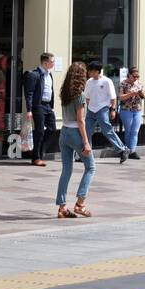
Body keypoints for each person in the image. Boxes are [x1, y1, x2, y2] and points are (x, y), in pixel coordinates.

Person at [53, 62, 94, 218]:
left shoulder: (65, 92)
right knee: (90, 167)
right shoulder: (80, 95)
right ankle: (80, 204)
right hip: (76, 133)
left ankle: (62, 207)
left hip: (63, 132)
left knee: (67, 170)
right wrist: (86, 142)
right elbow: (80, 120)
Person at [84, 62, 128, 162]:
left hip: (102, 109)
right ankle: (86, 154)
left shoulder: (107, 81)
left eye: (90, 70)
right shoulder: (89, 82)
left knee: (107, 130)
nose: (89, 72)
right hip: (91, 110)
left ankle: (122, 149)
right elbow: (87, 97)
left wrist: (113, 110)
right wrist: (89, 106)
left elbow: (113, 97)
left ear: (96, 71)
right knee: (86, 131)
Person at [22, 53, 57, 167]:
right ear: (45, 62)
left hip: (47, 106)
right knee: (40, 131)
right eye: (52, 61)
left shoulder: (49, 75)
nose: (54, 63)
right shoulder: (34, 74)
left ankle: (38, 151)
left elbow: (50, 90)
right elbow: (29, 93)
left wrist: (51, 106)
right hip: (38, 106)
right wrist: (29, 110)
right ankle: (36, 157)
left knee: (52, 129)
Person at [118, 68, 145, 159]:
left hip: (137, 110)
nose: (136, 78)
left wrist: (141, 93)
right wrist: (130, 94)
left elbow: (144, 96)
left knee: (135, 131)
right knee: (129, 130)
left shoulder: (139, 83)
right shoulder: (123, 84)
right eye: (134, 76)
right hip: (126, 110)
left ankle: (132, 150)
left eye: (137, 76)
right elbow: (120, 97)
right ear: (129, 75)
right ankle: (127, 149)